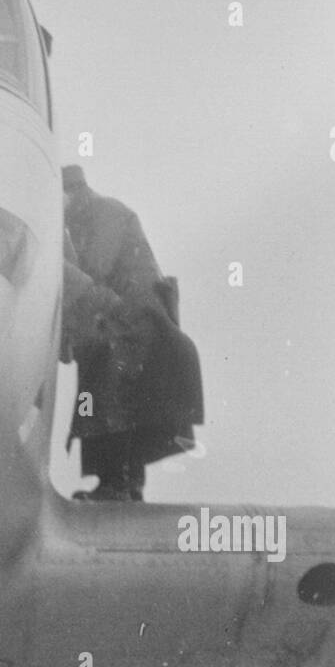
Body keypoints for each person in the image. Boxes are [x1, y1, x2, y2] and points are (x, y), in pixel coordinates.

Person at [61, 164, 204, 501]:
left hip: (136, 319)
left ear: (69, 193)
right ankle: (118, 483)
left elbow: (97, 267)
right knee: (106, 402)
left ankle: (120, 485)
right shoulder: (84, 219)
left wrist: (65, 272)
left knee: (115, 402)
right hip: (120, 319)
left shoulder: (105, 212)